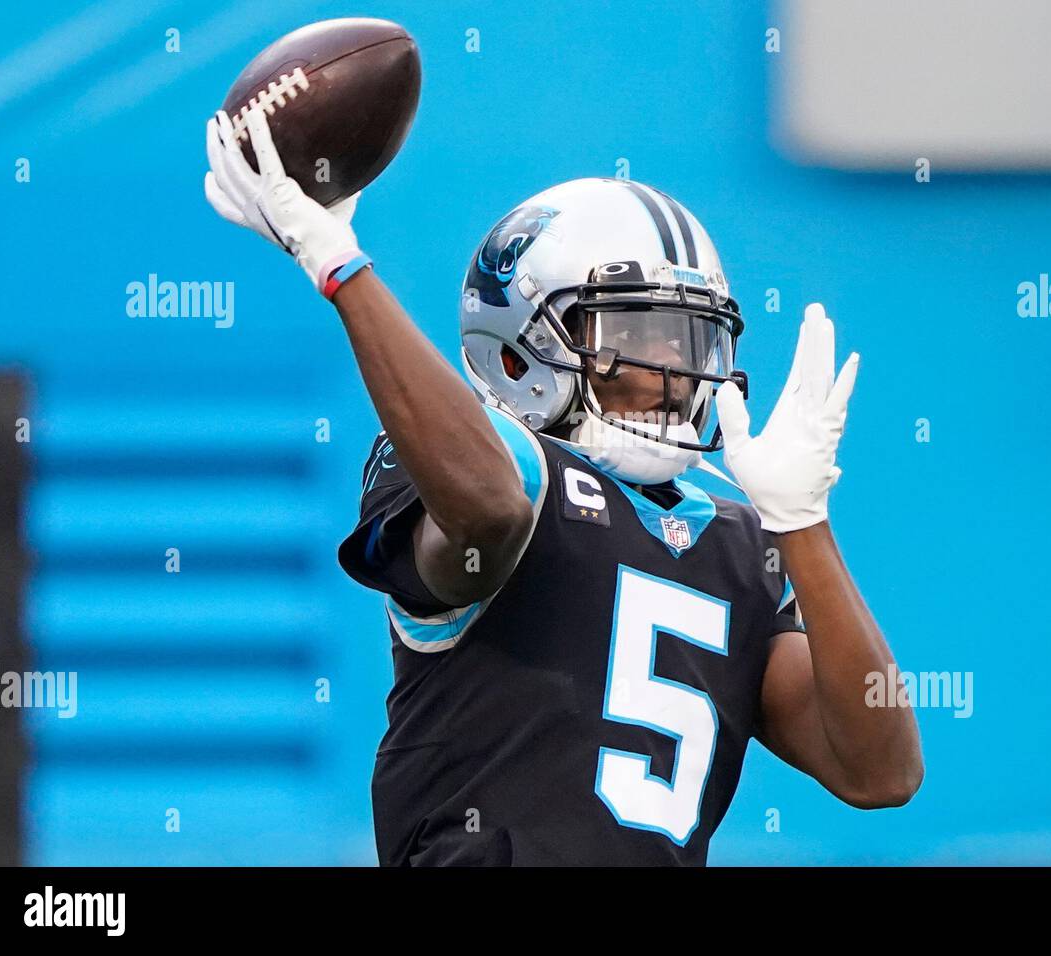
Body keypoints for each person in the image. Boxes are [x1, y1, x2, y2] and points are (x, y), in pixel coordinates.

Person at [204, 106, 923, 866]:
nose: (672, 375)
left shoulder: (740, 546)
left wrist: (802, 523)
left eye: (691, 340)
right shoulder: (488, 469)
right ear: (518, 351)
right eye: (637, 337)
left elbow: (880, 770)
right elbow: (487, 512)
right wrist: (340, 266)